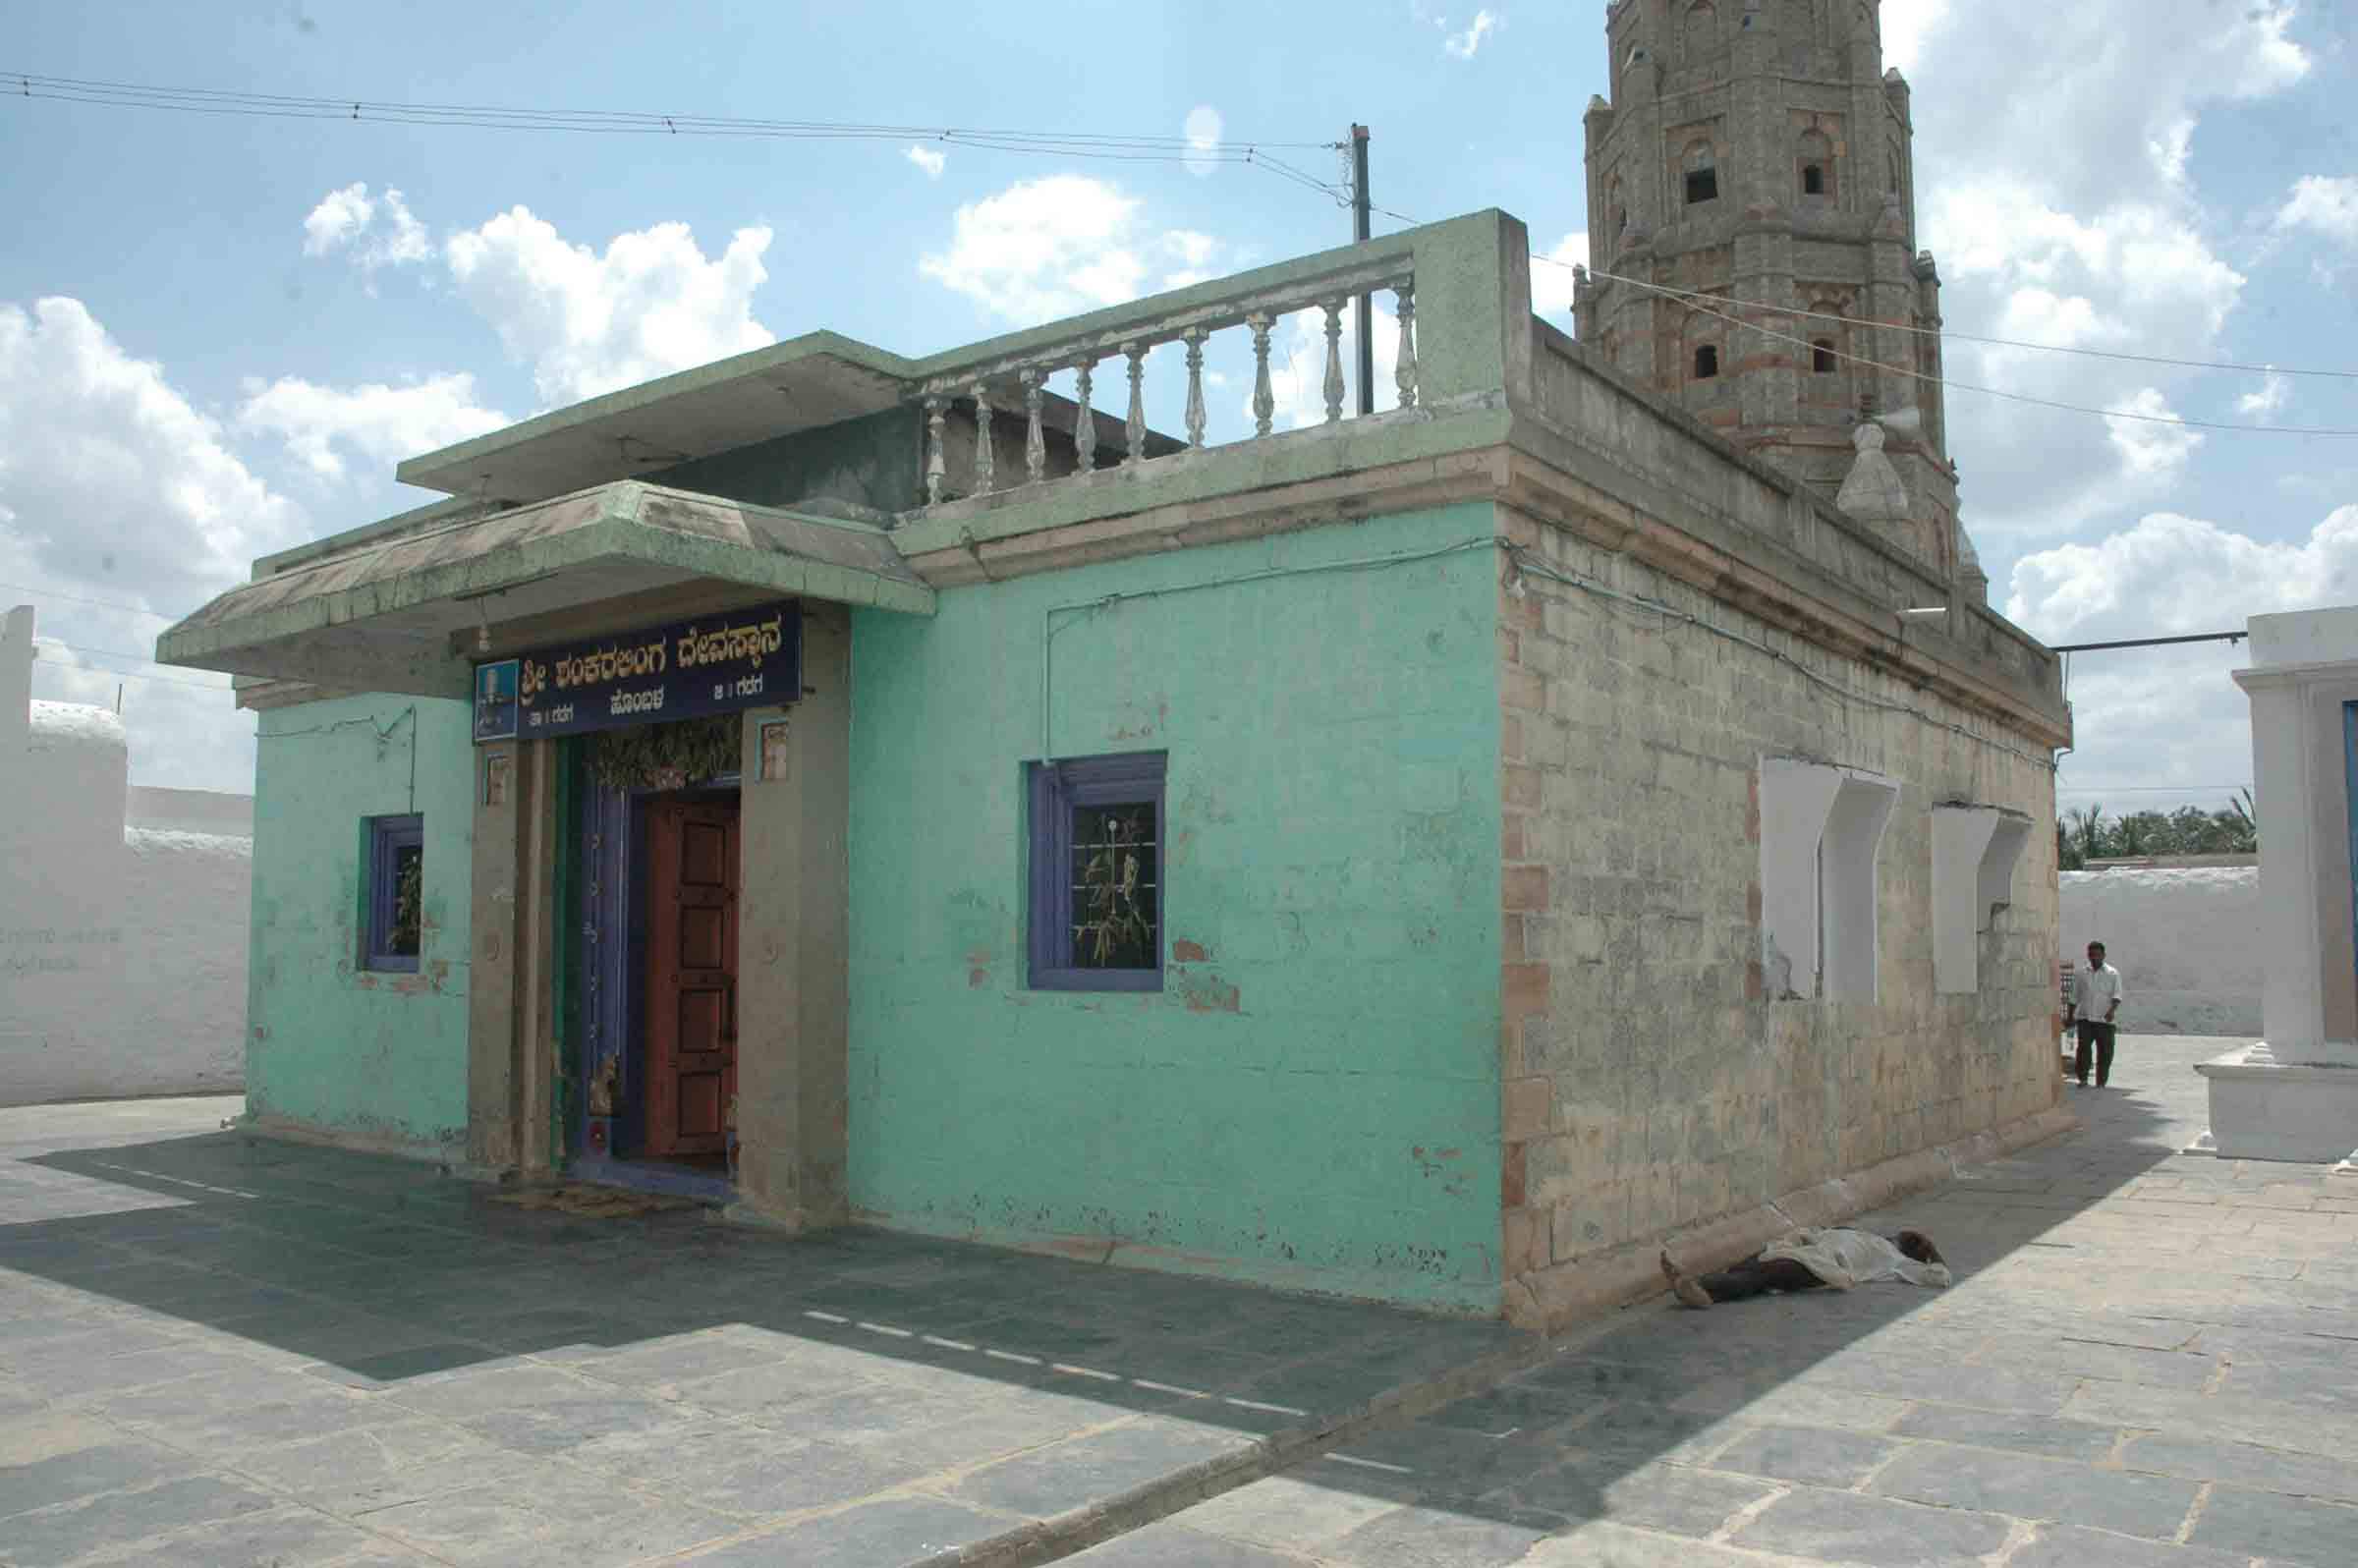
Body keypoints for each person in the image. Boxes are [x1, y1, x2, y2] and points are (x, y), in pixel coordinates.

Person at [1659, 1227, 1949, 1310]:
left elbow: (1940, 1277)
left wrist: (1931, 1250)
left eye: (1906, 1240)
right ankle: (1702, 1289)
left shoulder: (1894, 1259)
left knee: (1762, 1274)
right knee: (1753, 1263)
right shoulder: (1864, 1236)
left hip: (1821, 1266)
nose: (1899, 1236)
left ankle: (1703, 1291)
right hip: (1804, 1249)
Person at [2069, 939, 2124, 1088]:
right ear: (2088, 955)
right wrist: (2070, 1017)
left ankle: (2101, 1081)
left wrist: (2111, 1011)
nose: (2094, 958)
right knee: (2083, 1050)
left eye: (2097, 955)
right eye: (2091, 955)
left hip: (2105, 1020)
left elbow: (2117, 996)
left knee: (2105, 1052)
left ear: (2103, 955)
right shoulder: (2081, 974)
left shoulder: (2113, 973)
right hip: (2085, 1018)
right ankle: (2083, 1078)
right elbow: (2074, 997)